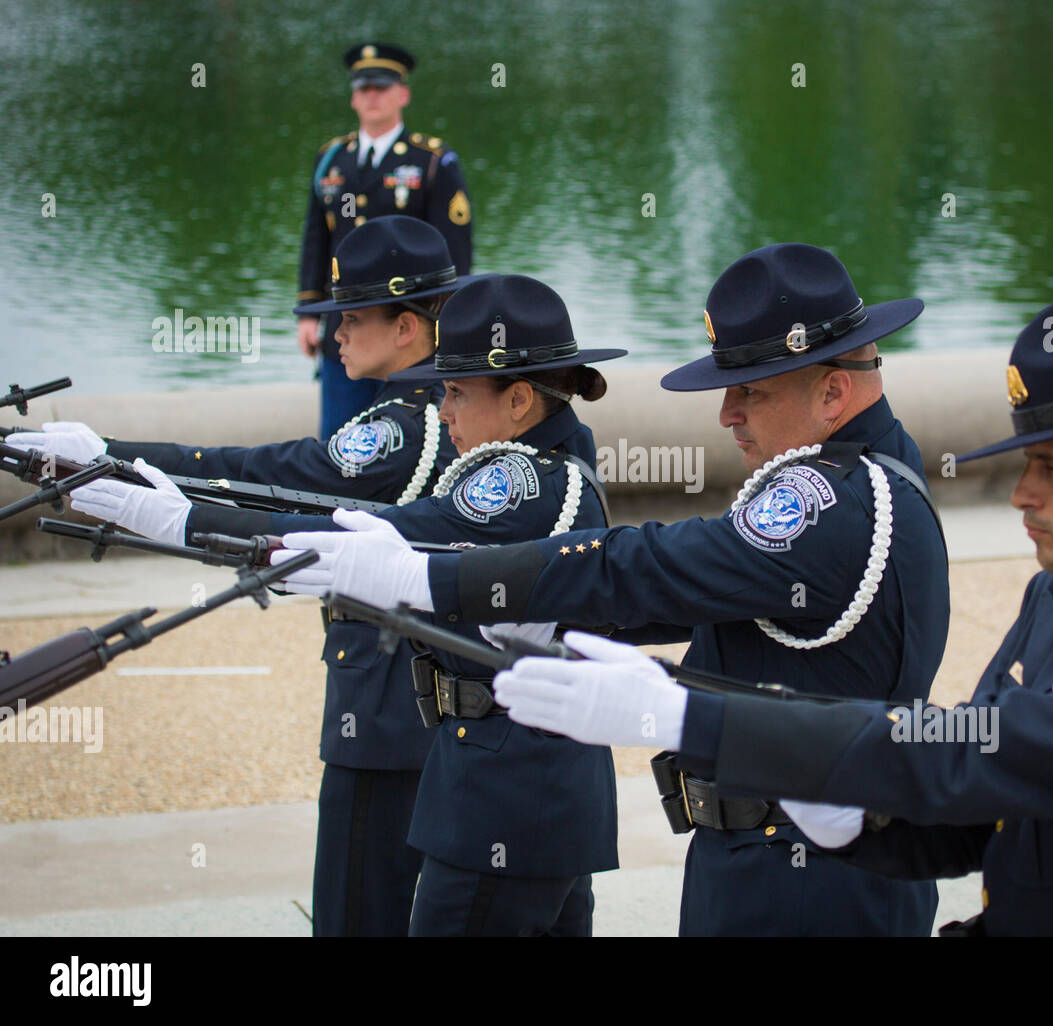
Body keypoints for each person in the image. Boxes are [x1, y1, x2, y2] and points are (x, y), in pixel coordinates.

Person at [494, 291, 1053, 937]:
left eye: (1049, 467)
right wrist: (859, 822)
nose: (1021, 494)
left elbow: (997, 752)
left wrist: (698, 719)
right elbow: (981, 800)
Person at [271, 243, 952, 937]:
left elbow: (651, 565)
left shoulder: (830, 499)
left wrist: (431, 576)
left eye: (751, 389)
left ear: (833, 391)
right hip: (794, 865)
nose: (727, 414)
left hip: (804, 888)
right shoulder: (867, 475)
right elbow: (687, 596)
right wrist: (536, 619)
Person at [67, 275, 627, 937]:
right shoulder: (558, 462)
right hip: (536, 797)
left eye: (455, 392)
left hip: (502, 805)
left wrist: (174, 518)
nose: (442, 410)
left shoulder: (521, 483)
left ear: (519, 400)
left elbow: (363, 542)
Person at [23, 216, 474, 937]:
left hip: (388, 706)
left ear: (408, 327)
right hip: (437, 708)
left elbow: (266, 477)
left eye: (352, 318)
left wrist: (107, 454)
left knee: (357, 909)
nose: (335, 335)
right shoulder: (452, 408)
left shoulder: (405, 425)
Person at [298, 41, 474, 440]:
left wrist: (449, 323)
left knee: (412, 440)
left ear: (403, 94)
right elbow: (316, 238)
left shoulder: (432, 160)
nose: (372, 96)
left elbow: (454, 250)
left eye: (381, 87)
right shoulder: (331, 159)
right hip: (343, 326)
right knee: (338, 441)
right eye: (364, 88)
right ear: (353, 96)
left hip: (408, 329)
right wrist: (308, 312)